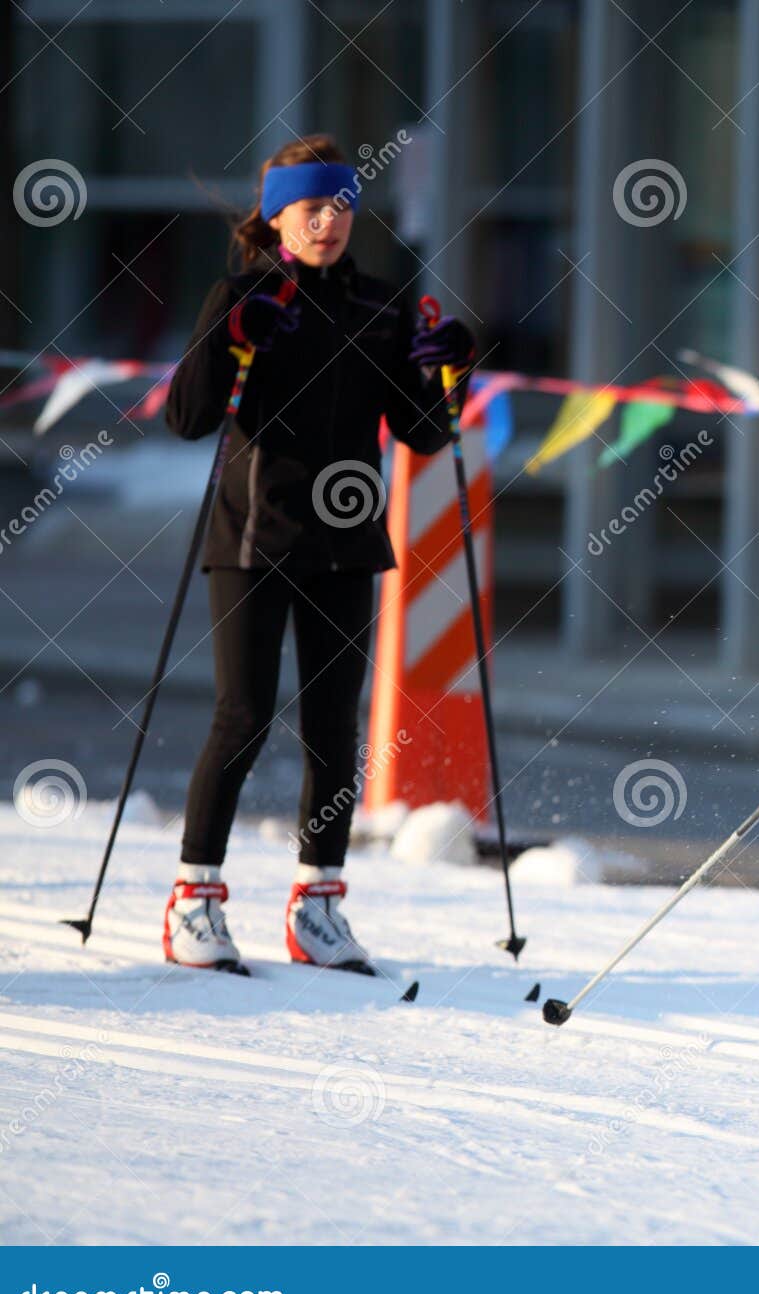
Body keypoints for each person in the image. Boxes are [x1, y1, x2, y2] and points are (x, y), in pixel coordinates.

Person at [162, 134, 476, 975]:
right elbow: (187, 418)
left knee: (334, 728)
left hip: (346, 542)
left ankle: (318, 906)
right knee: (244, 714)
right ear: (278, 217)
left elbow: (422, 436)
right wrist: (232, 337)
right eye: (313, 208)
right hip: (254, 537)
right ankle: (195, 898)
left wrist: (452, 375)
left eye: (341, 205)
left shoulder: (382, 306)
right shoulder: (242, 293)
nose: (330, 221)